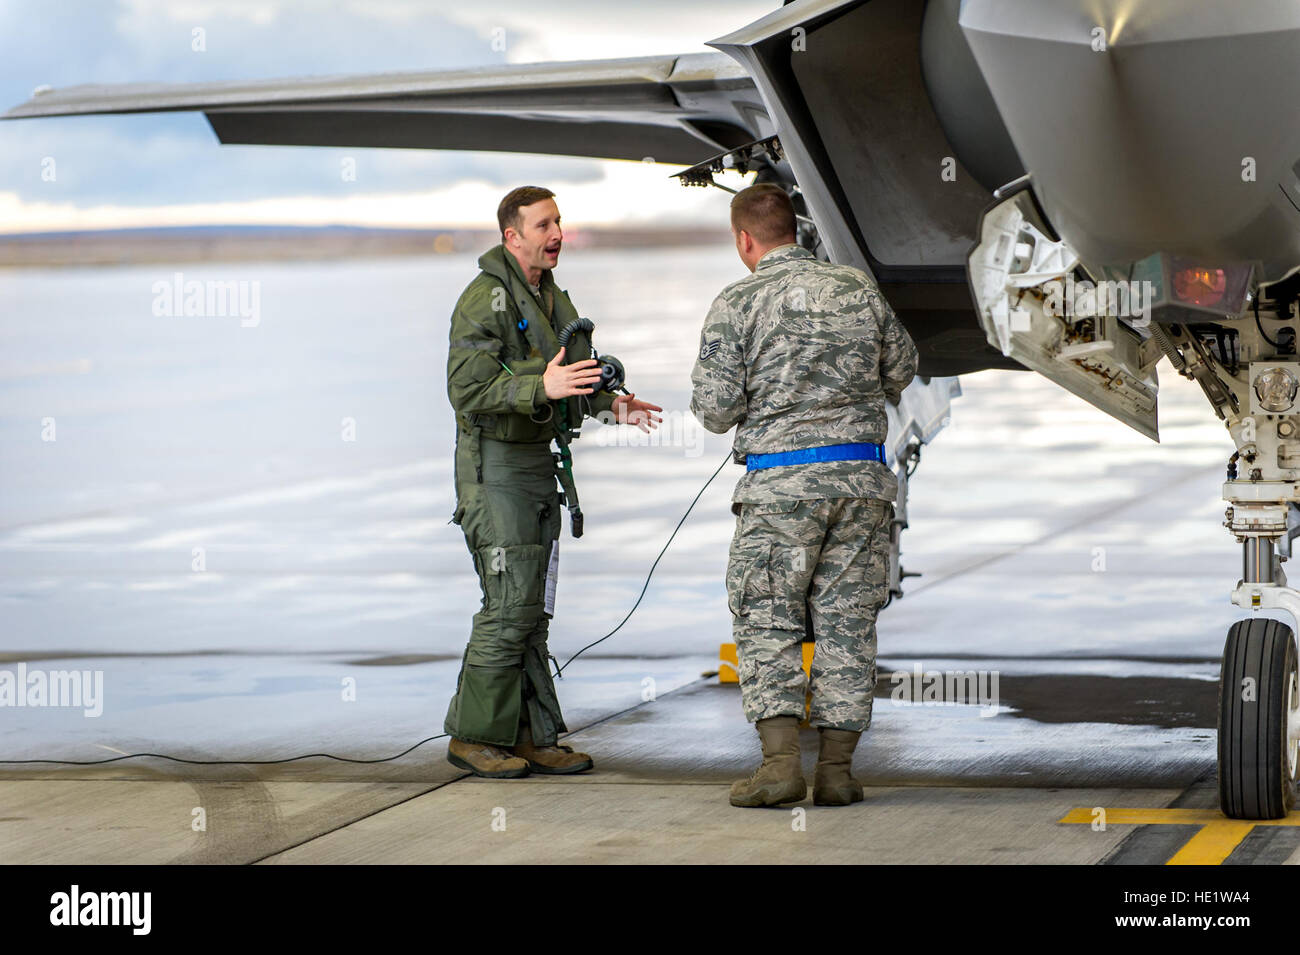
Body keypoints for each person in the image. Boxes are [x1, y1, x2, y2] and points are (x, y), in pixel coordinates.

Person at [690, 182, 918, 807]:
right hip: (861, 487)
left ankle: (780, 768)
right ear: (794, 230)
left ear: (744, 239)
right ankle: (837, 773)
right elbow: (903, 367)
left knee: (769, 619)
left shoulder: (736, 302)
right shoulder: (855, 288)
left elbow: (715, 409)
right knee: (848, 623)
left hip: (781, 493)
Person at [445, 185, 662, 778]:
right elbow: (465, 389)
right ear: (512, 236)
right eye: (543, 225)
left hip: (536, 466)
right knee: (508, 606)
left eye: (559, 222)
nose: (557, 234)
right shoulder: (486, 299)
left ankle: (527, 737)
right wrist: (538, 386)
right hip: (496, 472)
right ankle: (471, 736)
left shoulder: (549, 297)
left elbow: (570, 377)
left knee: (532, 609)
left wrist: (610, 405)